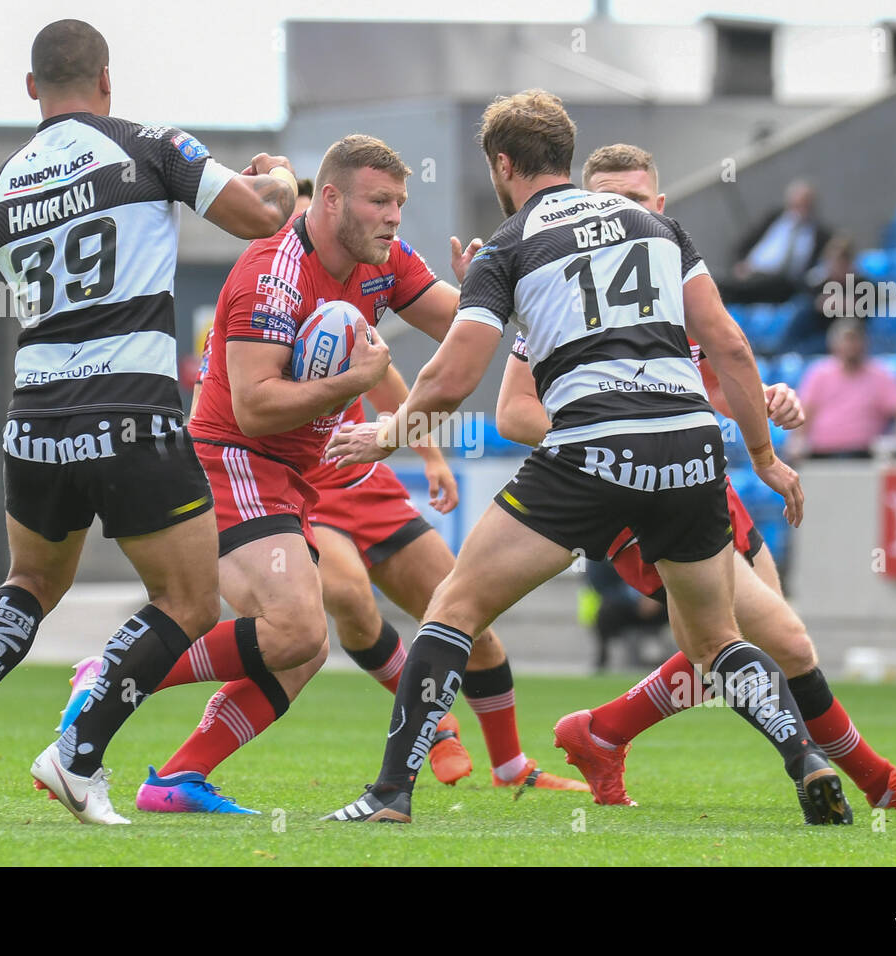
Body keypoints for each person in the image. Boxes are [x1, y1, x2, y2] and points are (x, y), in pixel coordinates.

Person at [323, 90, 851, 825]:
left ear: (502, 164)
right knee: (717, 638)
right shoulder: (660, 226)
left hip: (592, 445)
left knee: (455, 608)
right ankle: (805, 759)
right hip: (692, 447)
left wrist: (387, 435)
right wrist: (763, 456)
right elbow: (728, 345)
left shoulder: (508, 244)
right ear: (569, 157)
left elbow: (453, 375)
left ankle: (389, 795)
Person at [97, 137, 585, 814]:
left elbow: (448, 335)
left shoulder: (377, 263)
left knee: (449, 607)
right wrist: (379, 404)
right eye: (379, 202)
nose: (393, 217)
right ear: (325, 201)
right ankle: (120, 677)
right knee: (335, 608)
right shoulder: (277, 268)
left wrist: (489, 290)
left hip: (347, 458)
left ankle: (505, 763)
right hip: (258, 464)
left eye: (399, 204)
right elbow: (260, 405)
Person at [496, 144, 896, 812]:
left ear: (658, 208)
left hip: (702, 483)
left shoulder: (672, 280)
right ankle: (881, 782)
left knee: (736, 650)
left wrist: (767, 398)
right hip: (631, 487)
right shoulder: (568, 296)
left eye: (633, 202)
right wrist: (612, 431)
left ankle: (604, 730)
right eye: (605, 201)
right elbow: (512, 411)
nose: (618, 216)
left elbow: (716, 377)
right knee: (781, 641)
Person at [0, 18, 298, 825]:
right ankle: (78, 751)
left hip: (36, 423)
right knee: (189, 601)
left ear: (31, 90)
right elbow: (262, 217)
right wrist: (285, 180)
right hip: (132, 417)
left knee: (30, 582)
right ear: (107, 80)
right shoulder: (149, 146)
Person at [796, 317, 896, 459]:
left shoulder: (880, 374)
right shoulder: (819, 373)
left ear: (865, 342)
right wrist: (797, 440)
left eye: (855, 340)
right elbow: (804, 412)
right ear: (833, 344)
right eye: (846, 340)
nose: (850, 346)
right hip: (819, 454)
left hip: (864, 456)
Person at [720, 180, 832, 304]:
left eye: (805, 206)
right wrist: (739, 265)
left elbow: (813, 273)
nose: (800, 211)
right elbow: (743, 244)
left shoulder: (820, 236)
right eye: (796, 205)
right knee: (719, 283)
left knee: (766, 283)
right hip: (751, 272)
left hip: (783, 284)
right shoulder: (774, 218)